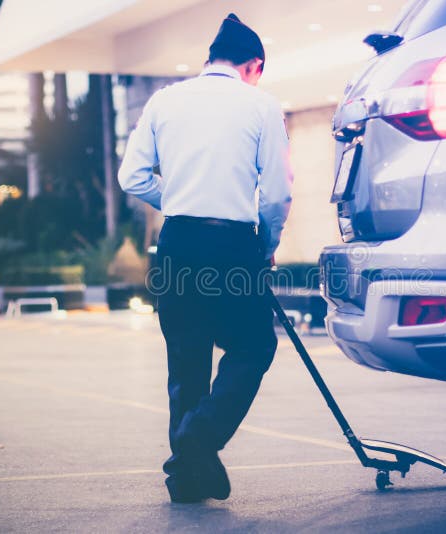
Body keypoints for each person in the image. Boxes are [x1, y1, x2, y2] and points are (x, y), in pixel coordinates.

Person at [118, 13, 293, 503]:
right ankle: (200, 439)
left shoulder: (164, 101)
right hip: (231, 245)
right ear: (253, 65)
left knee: (186, 361)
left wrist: (178, 199)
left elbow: (131, 178)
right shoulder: (261, 105)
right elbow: (277, 195)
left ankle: (186, 481)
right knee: (254, 347)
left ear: (210, 60)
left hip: (175, 244)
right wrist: (266, 246)